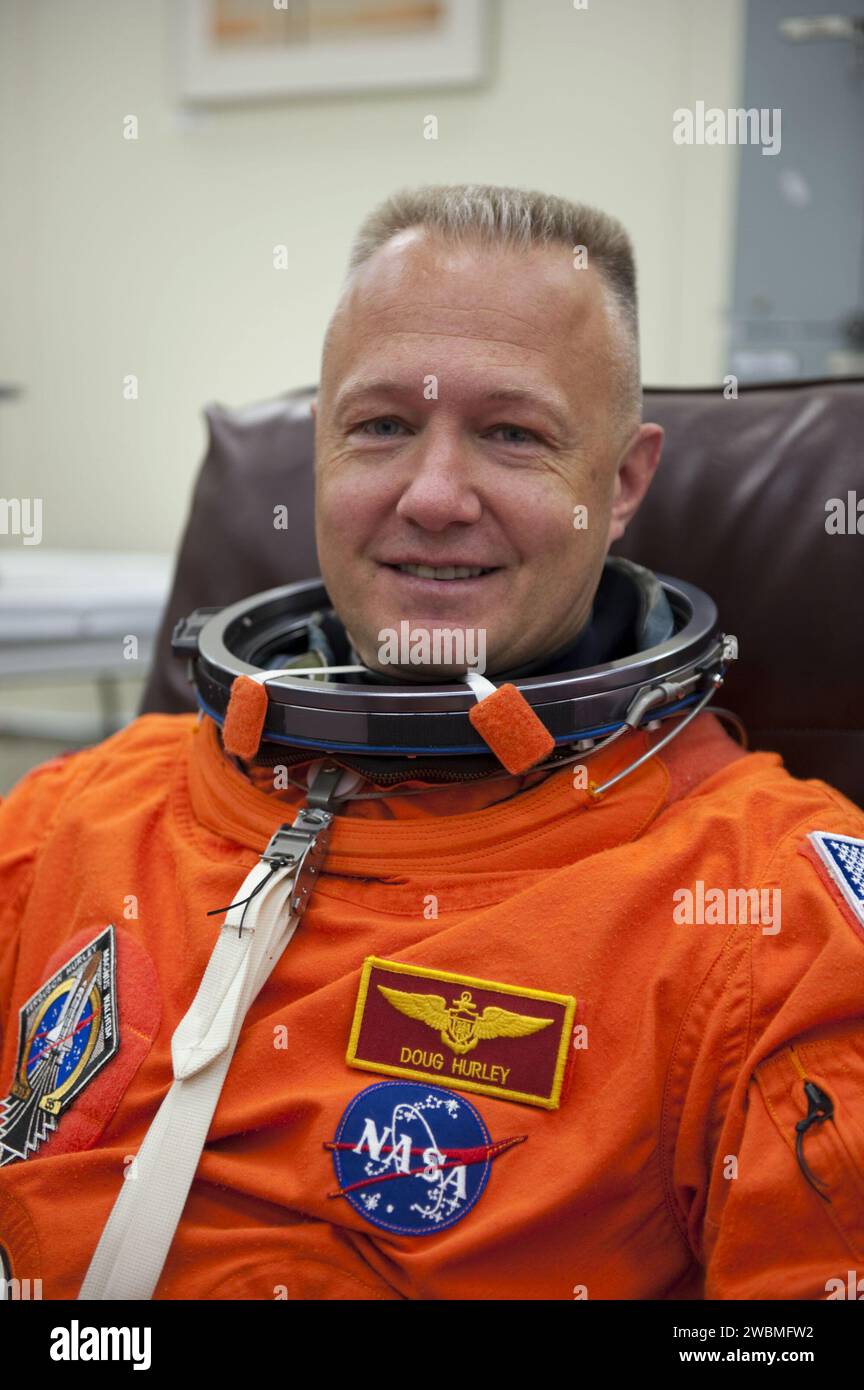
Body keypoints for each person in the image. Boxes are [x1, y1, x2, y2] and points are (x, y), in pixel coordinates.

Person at [1, 184, 863, 1303]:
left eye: (513, 434)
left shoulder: (771, 917)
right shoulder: (69, 819)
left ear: (625, 481)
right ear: (319, 454)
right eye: (382, 428)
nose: (434, 494)